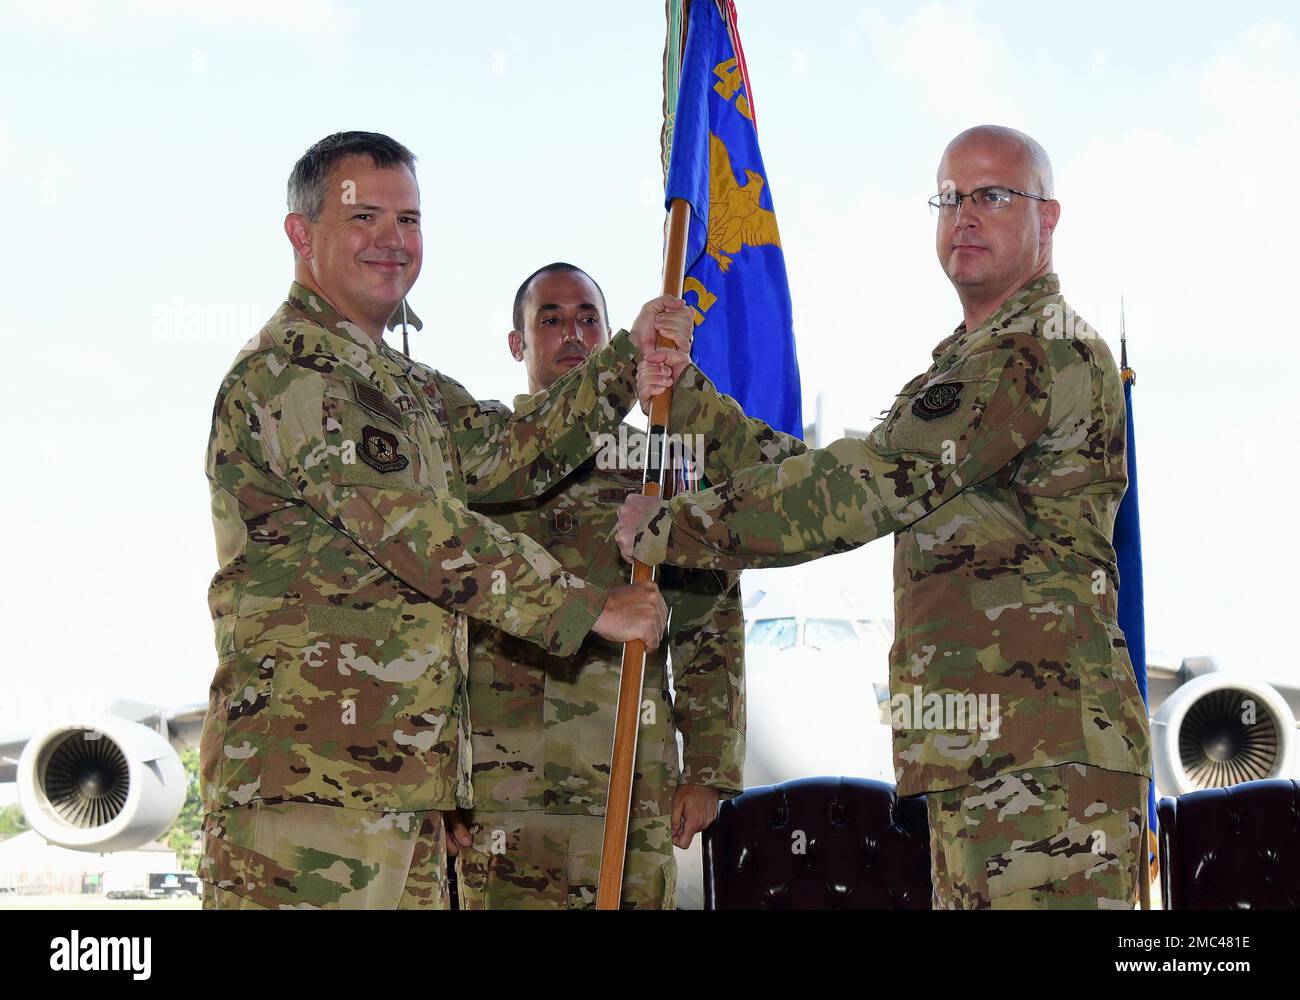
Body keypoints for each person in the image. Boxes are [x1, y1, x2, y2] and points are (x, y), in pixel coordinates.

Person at [619, 125, 1152, 909]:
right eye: (950, 197)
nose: (965, 215)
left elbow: (867, 485)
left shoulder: (1036, 352)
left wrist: (671, 528)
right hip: (996, 761)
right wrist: (691, 395)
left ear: (1050, 218)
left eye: (994, 196)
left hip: (1042, 766)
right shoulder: (974, 358)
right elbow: (841, 471)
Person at [199, 131, 687, 909]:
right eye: (365, 218)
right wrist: (591, 607)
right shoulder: (294, 374)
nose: (393, 241)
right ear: (301, 234)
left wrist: (627, 362)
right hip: (308, 795)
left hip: (405, 789)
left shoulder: (406, 389)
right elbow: (424, 534)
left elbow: (513, 451)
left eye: (410, 220)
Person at [446, 263, 746, 909]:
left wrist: (708, 771)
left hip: (629, 775)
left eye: (588, 318)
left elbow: (710, 621)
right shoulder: (478, 465)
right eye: (549, 319)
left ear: (610, 334)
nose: (572, 333)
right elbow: (437, 619)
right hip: (501, 786)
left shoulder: (659, 462)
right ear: (517, 344)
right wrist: (441, 785)